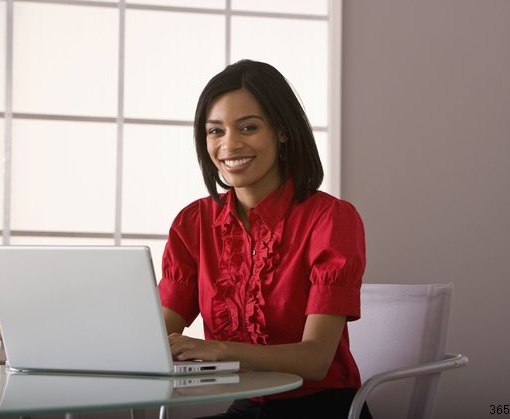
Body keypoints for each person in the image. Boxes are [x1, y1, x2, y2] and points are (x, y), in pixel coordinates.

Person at [158, 60, 371, 419]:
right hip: (245, 409)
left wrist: (219, 349)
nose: (230, 144)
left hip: (323, 411)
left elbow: (316, 359)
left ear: (282, 131)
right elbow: (158, 334)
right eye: (215, 131)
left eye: (249, 127)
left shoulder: (330, 219)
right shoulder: (193, 223)